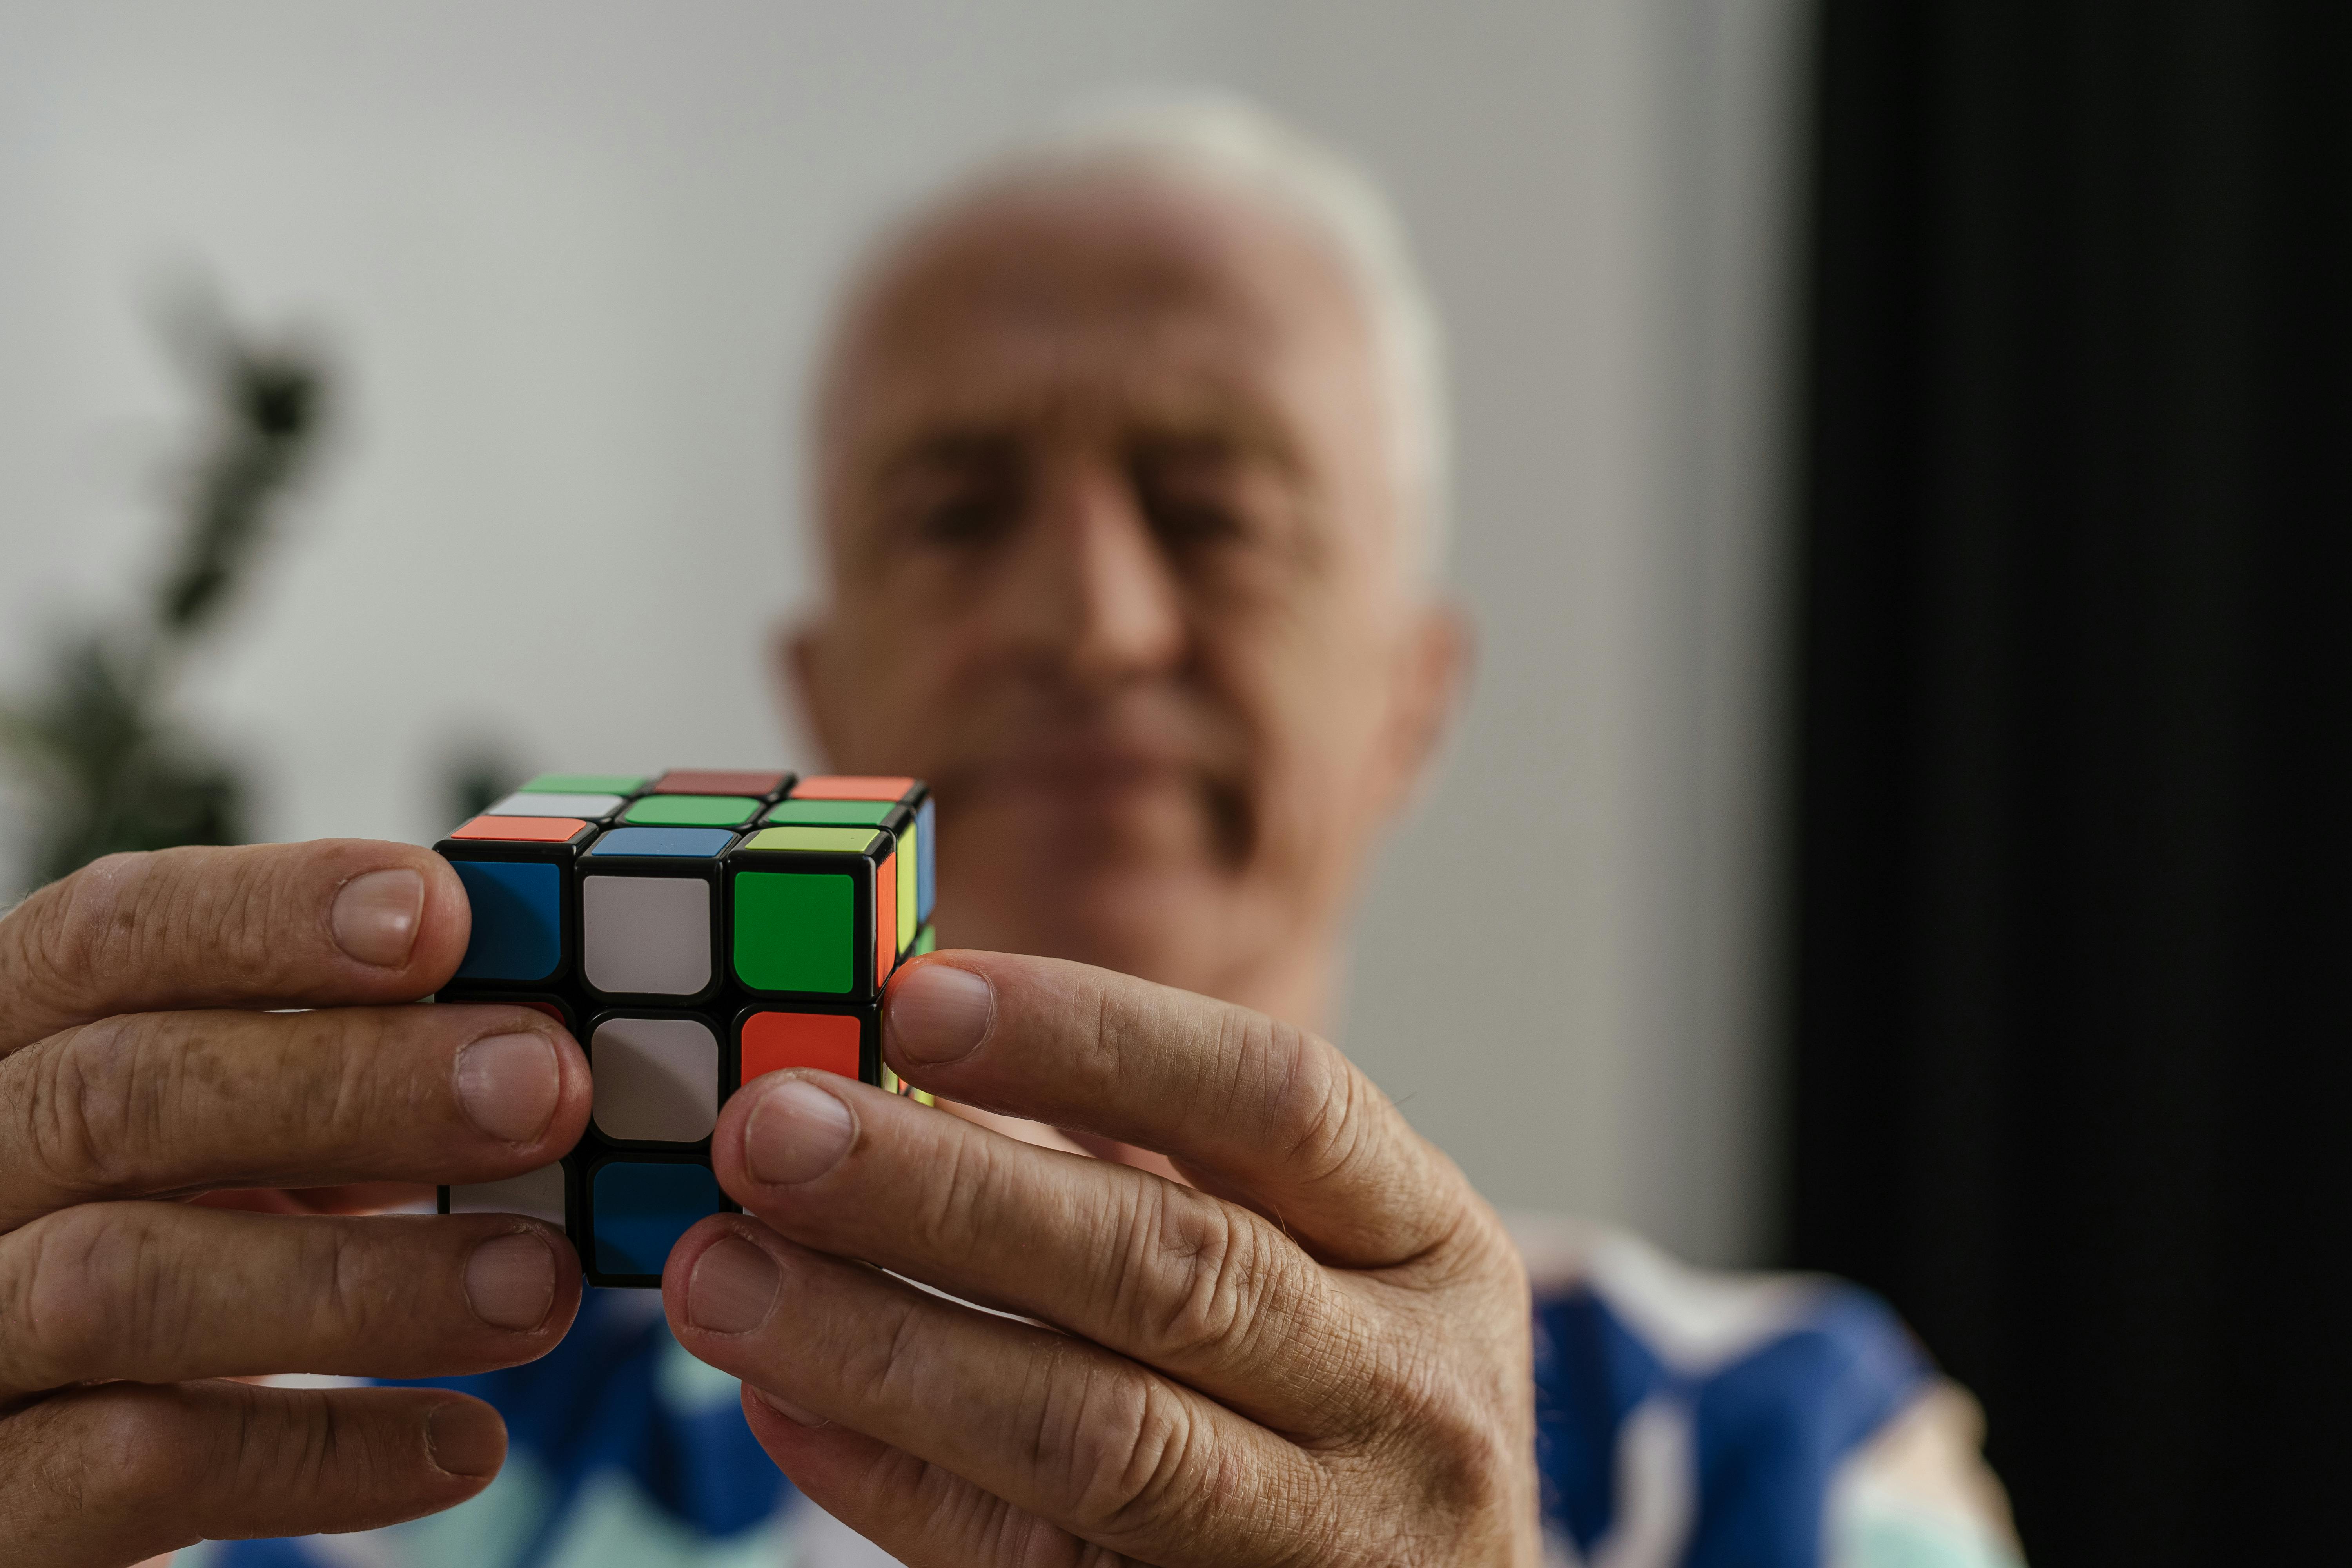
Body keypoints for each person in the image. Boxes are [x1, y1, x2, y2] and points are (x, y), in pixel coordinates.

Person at [0, 101, 2022, 1568]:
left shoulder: (1773, 1454)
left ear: (1409, 695)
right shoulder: (376, 1461)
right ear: (823, 708)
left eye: (1212, 509)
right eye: (959, 510)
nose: (1090, 623)